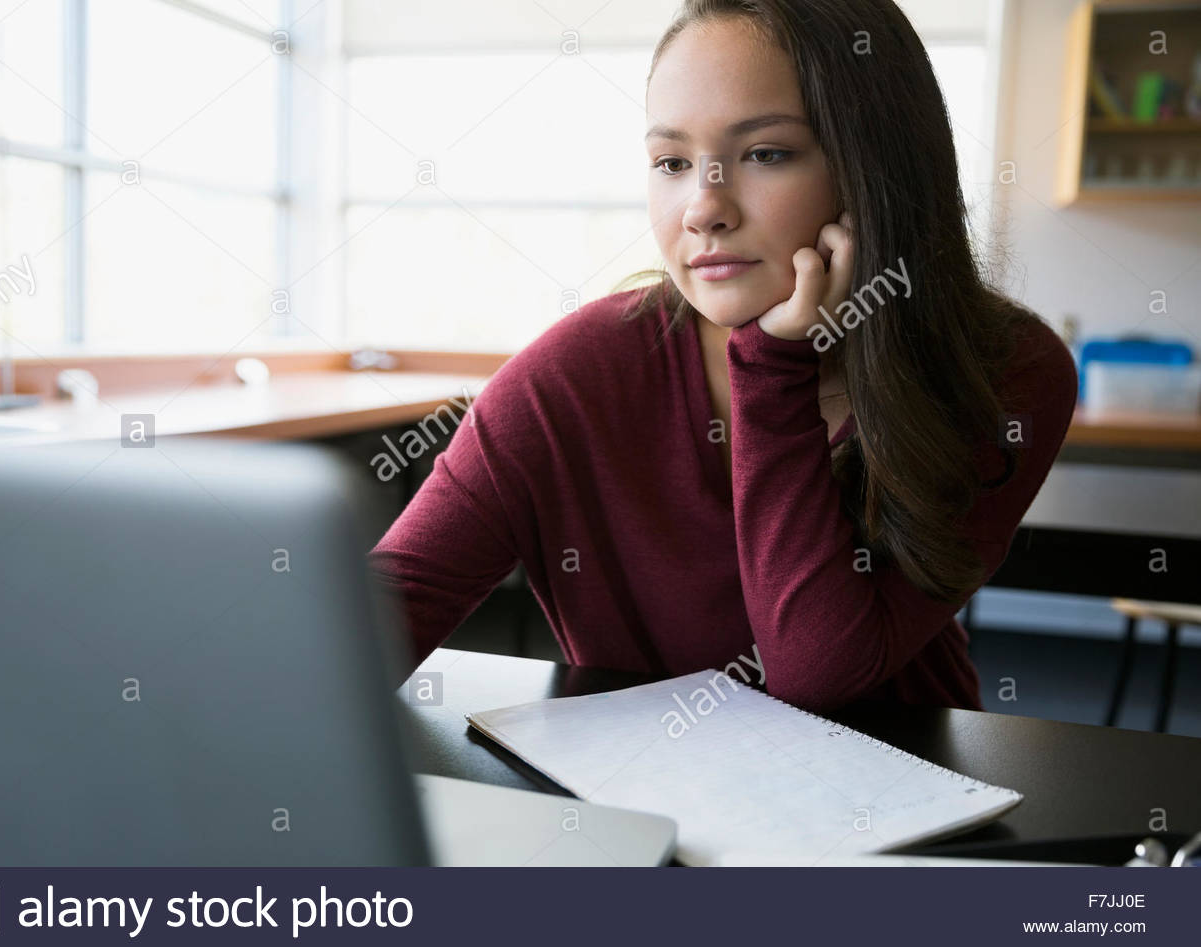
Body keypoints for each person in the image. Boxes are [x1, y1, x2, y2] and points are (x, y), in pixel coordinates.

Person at [368, 0, 1078, 713]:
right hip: (647, 798)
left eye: (765, 153)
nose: (702, 208)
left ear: (877, 168)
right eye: (672, 161)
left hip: (914, 779)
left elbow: (819, 677)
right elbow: (376, 621)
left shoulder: (1004, 369)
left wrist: (776, 366)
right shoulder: (577, 371)